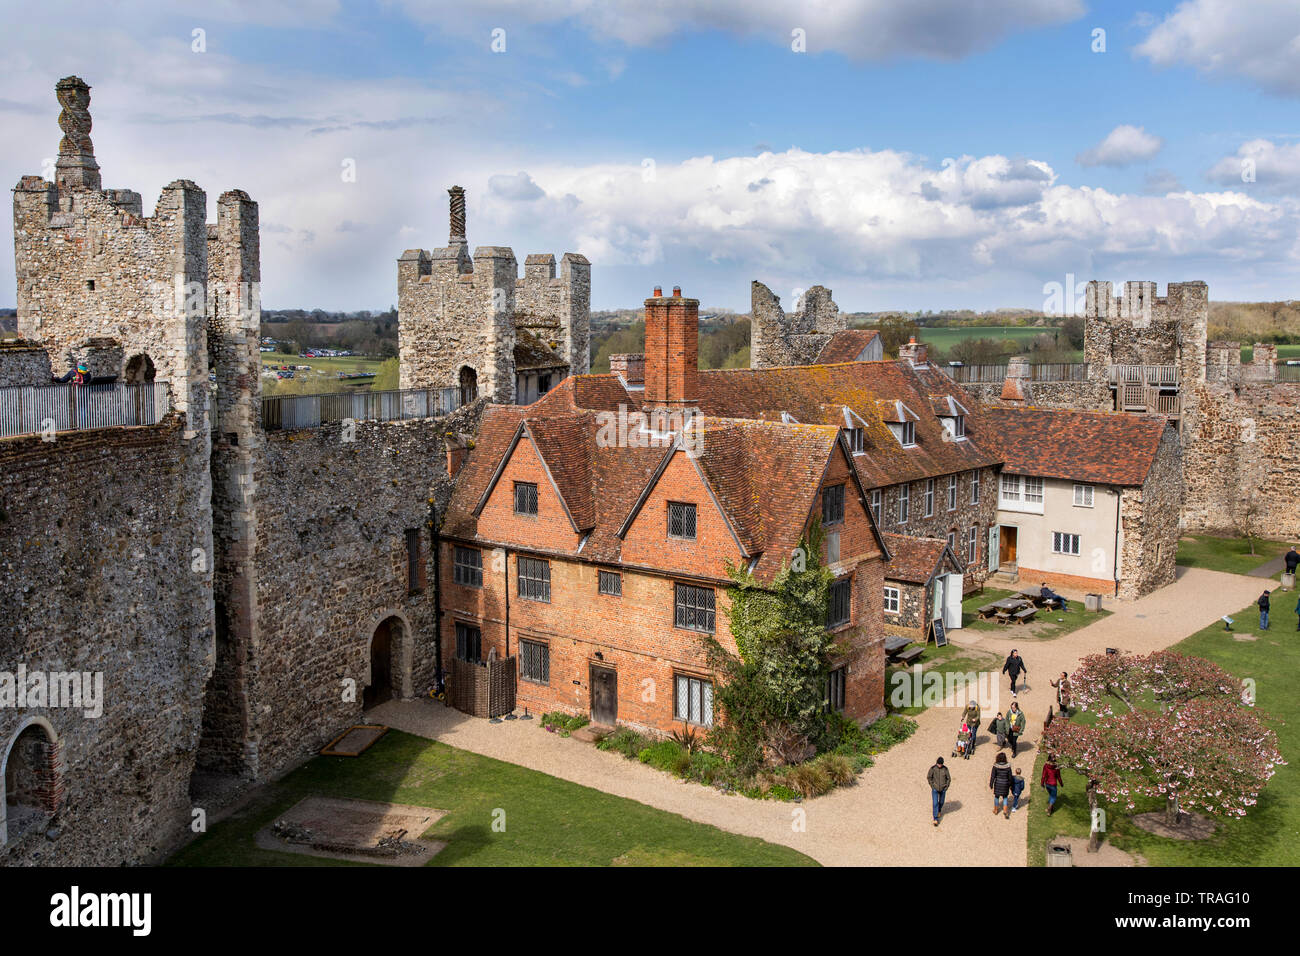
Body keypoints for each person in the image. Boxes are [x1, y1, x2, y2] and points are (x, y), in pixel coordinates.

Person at [928, 756, 951, 826]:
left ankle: (939, 810)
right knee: (935, 803)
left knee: (941, 802)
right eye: (938, 764)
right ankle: (935, 819)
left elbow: (948, 779)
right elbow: (929, 777)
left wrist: (946, 787)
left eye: (941, 764)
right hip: (935, 789)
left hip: (943, 789)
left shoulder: (945, 769)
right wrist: (932, 786)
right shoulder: (933, 769)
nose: (939, 765)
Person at [990, 752, 1014, 818]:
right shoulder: (1008, 767)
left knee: (996, 797)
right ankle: (1005, 810)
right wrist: (1010, 785)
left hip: (998, 783)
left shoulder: (995, 766)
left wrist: (991, 784)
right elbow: (1010, 777)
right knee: (1005, 797)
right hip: (1005, 784)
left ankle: (995, 810)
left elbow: (993, 776)